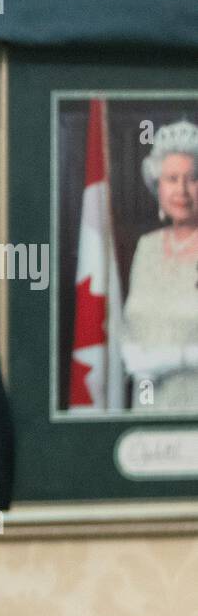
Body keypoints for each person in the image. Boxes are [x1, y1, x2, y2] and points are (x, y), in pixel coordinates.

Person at [121, 118, 198, 411]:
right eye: (172, 179)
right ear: (157, 187)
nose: (182, 190)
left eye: (192, 178)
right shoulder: (147, 247)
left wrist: (174, 359)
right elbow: (130, 324)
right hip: (149, 402)